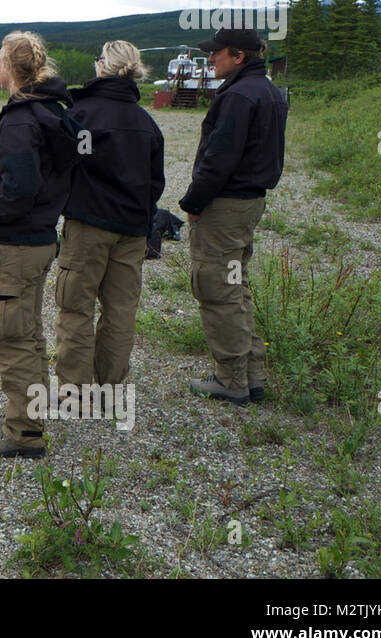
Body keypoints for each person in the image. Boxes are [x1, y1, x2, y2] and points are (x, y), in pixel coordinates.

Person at [0, 31, 79, 458]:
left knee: (11, 335)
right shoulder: (51, 111)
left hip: (16, 246)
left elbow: (20, 189)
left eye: (0, 61)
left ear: (9, 68)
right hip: (38, 241)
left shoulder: (21, 120)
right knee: (28, 333)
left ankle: (23, 433)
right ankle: (26, 412)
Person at [179, 27, 287, 405]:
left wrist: (193, 202)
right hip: (249, 204)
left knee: (217, 288)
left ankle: (231, 379)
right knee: (236, 286)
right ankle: (252, 375)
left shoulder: (239, 95)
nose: (211, 59)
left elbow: (219, 159)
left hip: (224, 207)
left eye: (217, 53)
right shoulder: (269, 91)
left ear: (238, 55)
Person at [54, 41, 165, 405]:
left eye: (98, 59)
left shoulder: (81, 114)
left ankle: (74, 390)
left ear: (103, 67)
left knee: (76, 308)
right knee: (120, 312)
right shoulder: (146, 122)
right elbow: (155, 183)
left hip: (87, 226)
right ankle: (111, 390)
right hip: (131, 231)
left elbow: (60, 166)